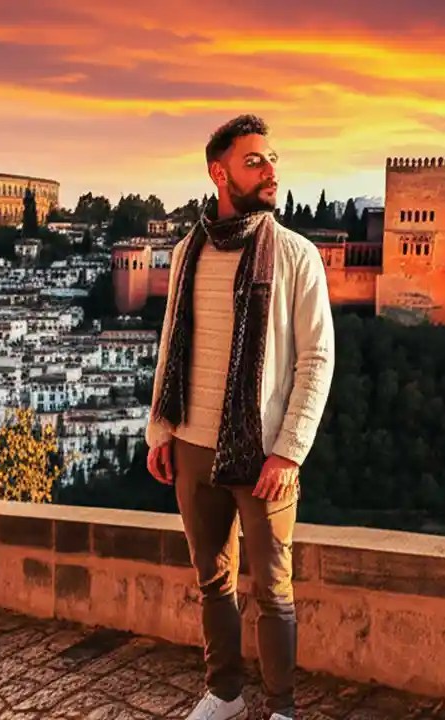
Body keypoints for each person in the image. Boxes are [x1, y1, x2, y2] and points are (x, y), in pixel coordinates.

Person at [145, 114, 335, 720]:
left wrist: (290, 450)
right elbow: (171, 340)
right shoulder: (187, 252)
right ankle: (224, 695)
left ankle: (281, 710)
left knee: (274, 592)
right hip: (193, 445)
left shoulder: (296, 256)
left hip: (263, 454)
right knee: (212, 581)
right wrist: (160, 430)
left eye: (272, 158)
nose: (270, 169)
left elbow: (317, 357)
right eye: (255, 160)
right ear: (218, 172)